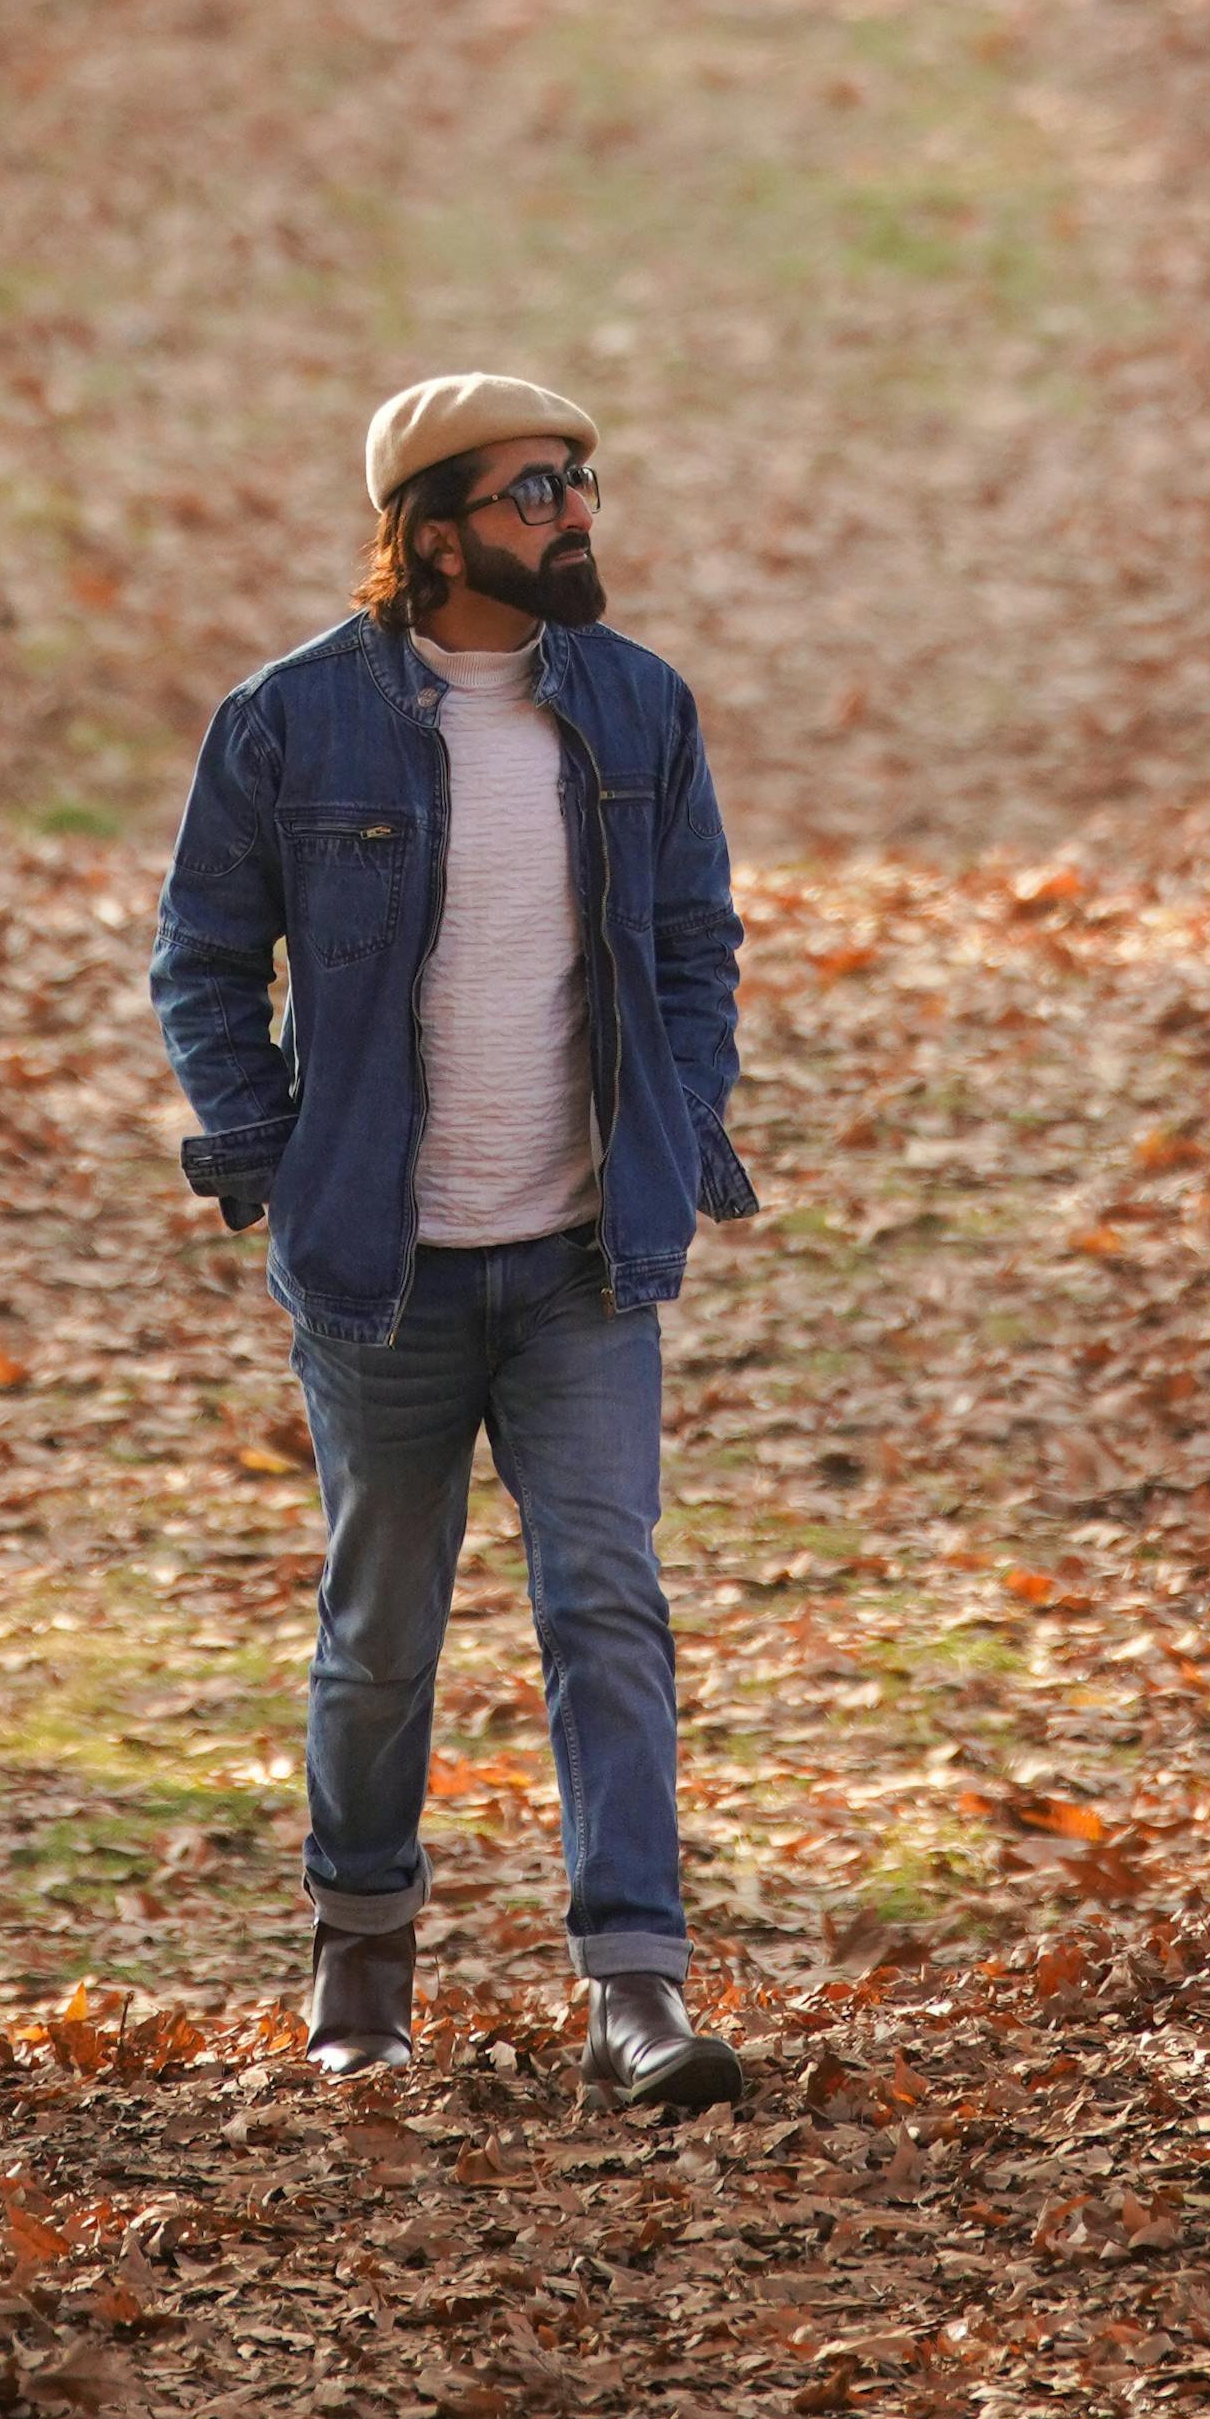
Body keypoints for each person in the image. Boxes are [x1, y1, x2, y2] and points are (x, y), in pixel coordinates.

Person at [149, 366, 755, 2111]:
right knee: (380, 1630)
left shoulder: (637, 709)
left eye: (581, 482)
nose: (574, 514)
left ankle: (637, 1989)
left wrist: (681, 1115)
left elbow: (696, 937)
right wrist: (265, 1148)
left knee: (607, 1607)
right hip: (380, 1271)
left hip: (581, 1262)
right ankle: (361, 1984)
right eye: (535, 491)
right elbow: (204, 954)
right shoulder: (289, 722)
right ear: (427, 533)